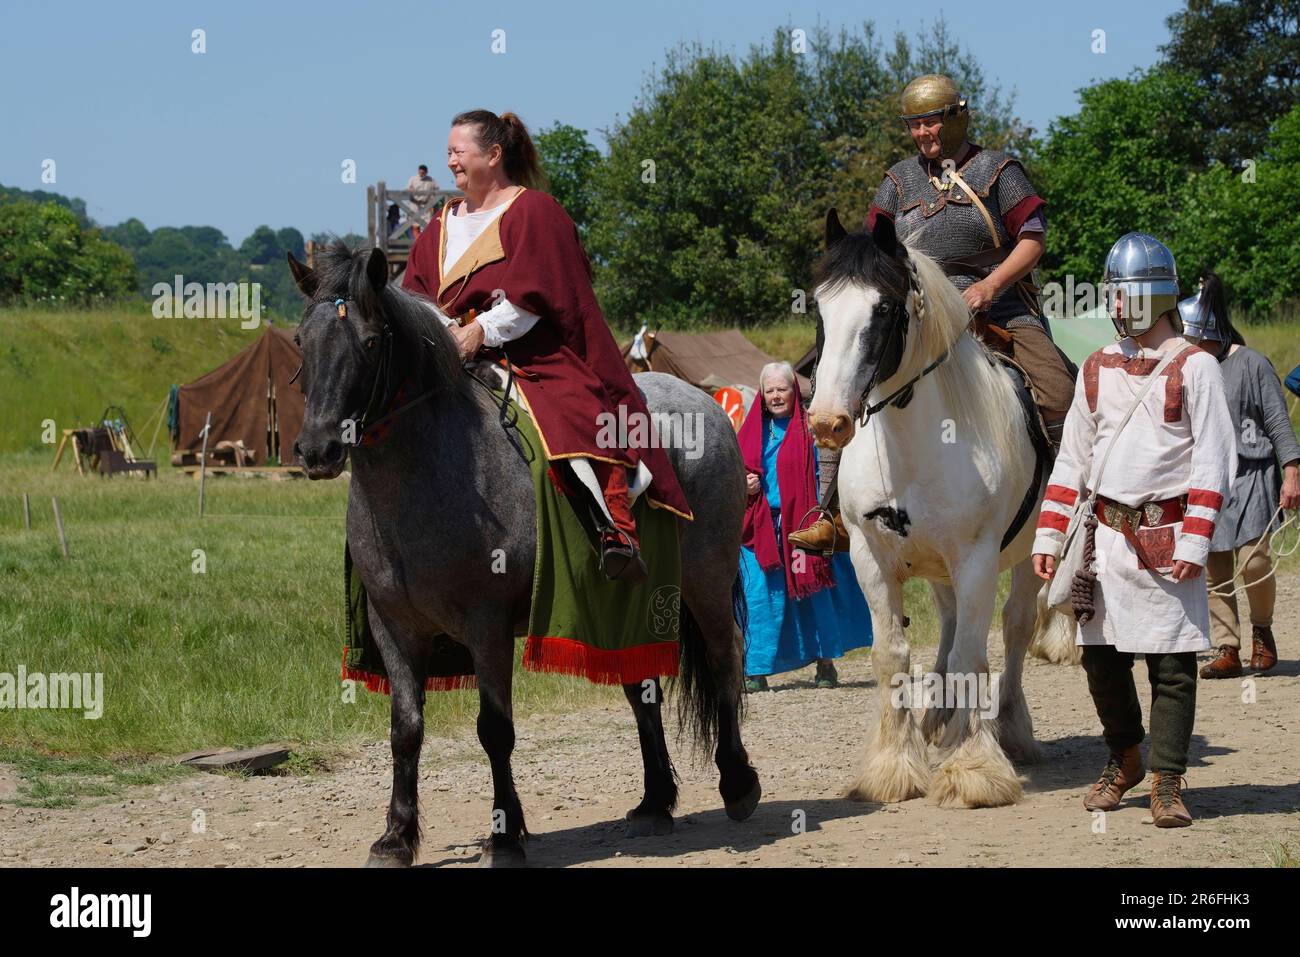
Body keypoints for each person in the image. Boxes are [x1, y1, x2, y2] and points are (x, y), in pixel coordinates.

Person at [401, 109, 692, 581]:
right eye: (448, 153)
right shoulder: (440, 225)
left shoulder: (534, 210)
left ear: (493, 154)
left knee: (578, 411)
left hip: (528, 350)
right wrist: (439, 336)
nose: (451, 161)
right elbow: (414, 297)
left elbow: (540, 291)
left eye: (459, 151)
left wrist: (479, 332)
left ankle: (615, 526)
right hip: (447, 355)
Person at [792, 73, 1076, 554]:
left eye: (932, 123)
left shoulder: (997, 171)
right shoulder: (898, 183)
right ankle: (834, 512)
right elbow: (870, 252)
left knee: (1058, 391)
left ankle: (1068, 507)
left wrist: (990, 284)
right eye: (915, 125)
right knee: (837, 382)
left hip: (997, 306)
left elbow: (1033, 240)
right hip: (916, 311)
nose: (924, 134)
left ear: (956, 118)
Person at [1032, 232, 1235, 828]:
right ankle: (1125, 758)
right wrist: (1048, 536)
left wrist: (1196, 539)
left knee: (1171, 668)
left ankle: (1168, 781)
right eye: (1114, 294)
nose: (1118, 305)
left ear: (1158, 297)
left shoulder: (1195, 366)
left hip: (1167, 537)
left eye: (1128, 294)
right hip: (1105, 541)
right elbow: (1074, 457)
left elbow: (1213, 460)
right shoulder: (1097, 367)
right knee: (1101, 662)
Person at [1180, 274, 1299, 678]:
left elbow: (1279, 424)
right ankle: (1227, 647)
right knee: (1214, 569)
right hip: (1210, 478)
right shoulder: (1192, 369)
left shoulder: (1252, 364)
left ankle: (1262, 632)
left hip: (1253, 473)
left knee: (1254, 562)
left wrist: (1292, 472)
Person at [739, 362, 873, 692]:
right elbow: (735, 468)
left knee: (816, 594)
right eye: (769, 390)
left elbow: (829, 472)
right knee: (760, 596)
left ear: (793, 391)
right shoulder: (753, 428)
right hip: (764, 528)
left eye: (781, 389)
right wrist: (744, 484)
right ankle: (755, 669)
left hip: (805, 522)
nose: (775, 396)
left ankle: (825, 664)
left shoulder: (812, 426)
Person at [406, 164, 439, 239]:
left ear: (426, 172)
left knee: (427, 225)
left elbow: (437, 190)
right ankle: (417, 241)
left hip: (426, 205)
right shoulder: (413, 179)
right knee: (415, 224)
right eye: (420, 172)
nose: (421, 174)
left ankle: (425, 241)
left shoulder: (431, 180)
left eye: (423, 173)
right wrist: (411, 191)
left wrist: (433, 198)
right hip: (415, 204)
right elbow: (408, 190)